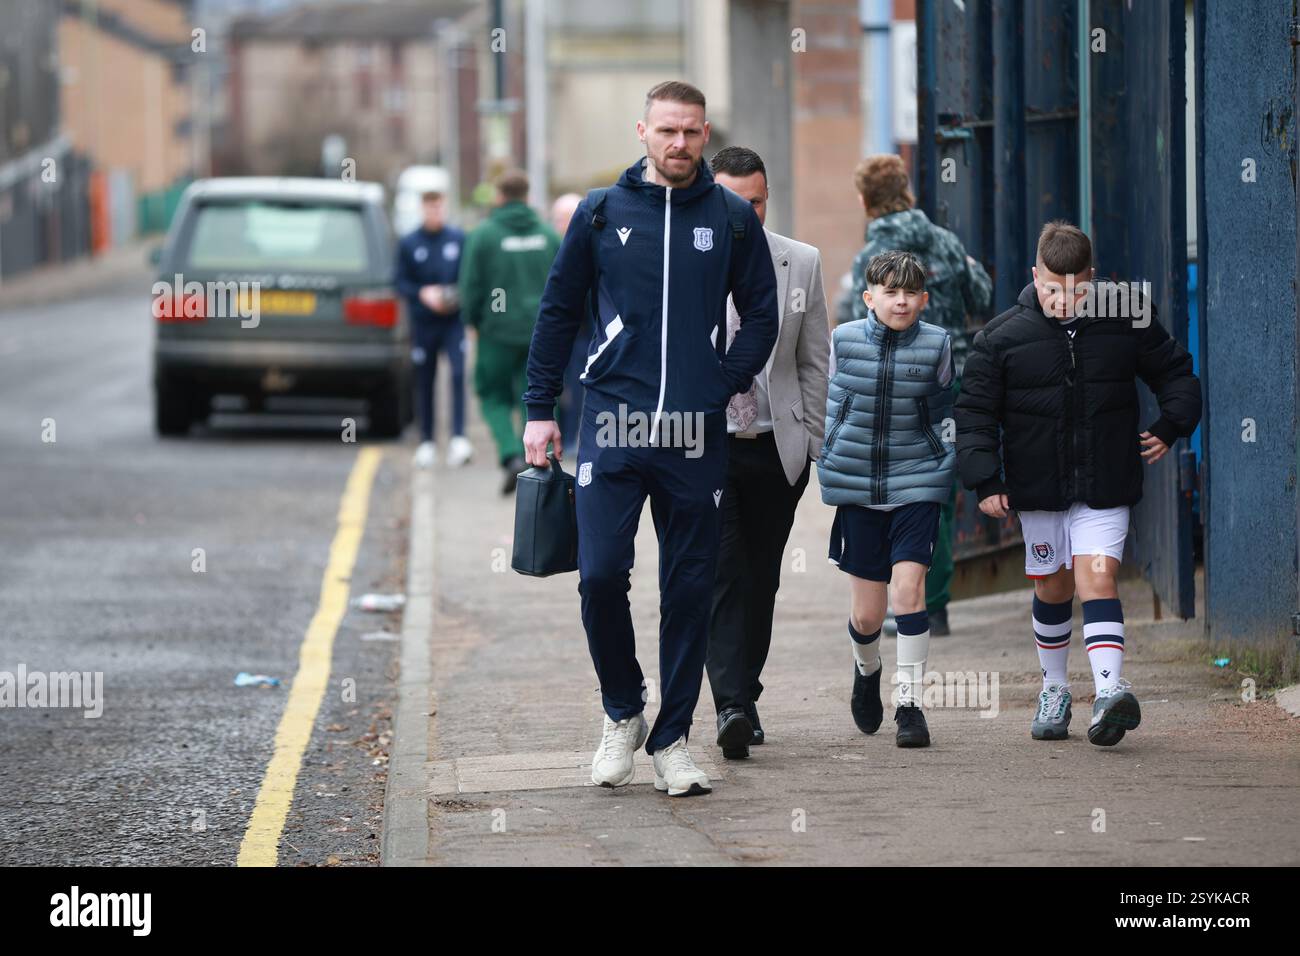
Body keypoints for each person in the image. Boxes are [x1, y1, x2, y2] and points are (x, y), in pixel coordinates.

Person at [521, 80, 778, 796]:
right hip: (612, 422)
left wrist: (720, 380)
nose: (679, 144)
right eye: (667, 130)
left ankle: (672, 741)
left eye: (692, 132)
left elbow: (762, 313)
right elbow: (556, 310)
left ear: (704, 135)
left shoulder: (729, 219)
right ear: (642, 131)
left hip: (695, 436)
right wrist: (539, 408)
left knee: (690, 587)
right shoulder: (603, 213)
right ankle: (622, 709)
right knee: (600, 575)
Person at [955, 221, 1202, 746]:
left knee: (1097, 579)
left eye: (1077, 290)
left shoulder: (1127, 319)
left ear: (1093, 278)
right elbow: (974, 413)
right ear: (1034, 275)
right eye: (1051, 289)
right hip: (1037, 488)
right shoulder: (1000, 339)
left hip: (1105, 482)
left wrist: (1170, 425)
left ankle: (1110, 693)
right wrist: (985, 481)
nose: (1064, 300)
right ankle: (1055, 687)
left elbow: (1177, 372)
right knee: (1053, 588)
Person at [705, 145, 830, 760]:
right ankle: (728, 702)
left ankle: (745, 692)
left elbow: (814, 359)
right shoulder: (686, 258)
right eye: (733, 201)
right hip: (707, 449)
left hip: (778, 450)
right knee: (723, 572)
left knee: (763, 578)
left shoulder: (799, 262)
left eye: (754, 201)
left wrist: (812, 440)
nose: (745, 214)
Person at [847, 155, 992, 636]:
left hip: (895, 392)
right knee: (939, 489)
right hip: (952, 379)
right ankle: (935, 602)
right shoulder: (946, 243)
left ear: (866, 200)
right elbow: (982, 297)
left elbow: (858, 327)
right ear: (906, 192)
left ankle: (908, 600)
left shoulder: (869, 261)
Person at [820, 250, 955, 748]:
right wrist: (828, 452)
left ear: (923, 299)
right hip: (859, 489)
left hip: (916, 482)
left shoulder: (938, 344)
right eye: (890, 293)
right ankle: (867, 669)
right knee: (868, 616)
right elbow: (829, 403)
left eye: (909, 293)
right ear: (869, 297)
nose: (900, 302)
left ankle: (911, 705)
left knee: (908, 594)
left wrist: (945, 462)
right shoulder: (842, 340)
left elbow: (946, 411)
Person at [458, 169, 561, 494]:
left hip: (496, 333)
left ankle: (510, 455)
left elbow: (471, 286)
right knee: (538, 396)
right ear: (527, 196)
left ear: (499, 196)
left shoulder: (484, 235)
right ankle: (540, 464)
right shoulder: (547, 236)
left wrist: (473, 320)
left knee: (492, 395)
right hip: (540, 334)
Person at [394, 188, 473, 468]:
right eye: (430, 208)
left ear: (445, 208)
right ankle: (426, 440)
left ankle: (459, 438)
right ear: (422, 209)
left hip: (453, 322)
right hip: (424, 324)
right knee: (424, 380)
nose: (434, 213)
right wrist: (423, 294)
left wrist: (453, 296)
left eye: (439, 207)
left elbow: (470, 277)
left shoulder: (459, 239)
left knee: (458, 373)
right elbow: (400, 282)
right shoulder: (409, 242)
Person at [549, 193, 590, 443]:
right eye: (559, 219)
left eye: (568, 218)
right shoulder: (549, 248)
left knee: (578, 387)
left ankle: (574, 436)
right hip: (558, 332)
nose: (564, 224)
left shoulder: (593, 245)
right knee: (555, 386)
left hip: (586, 331)